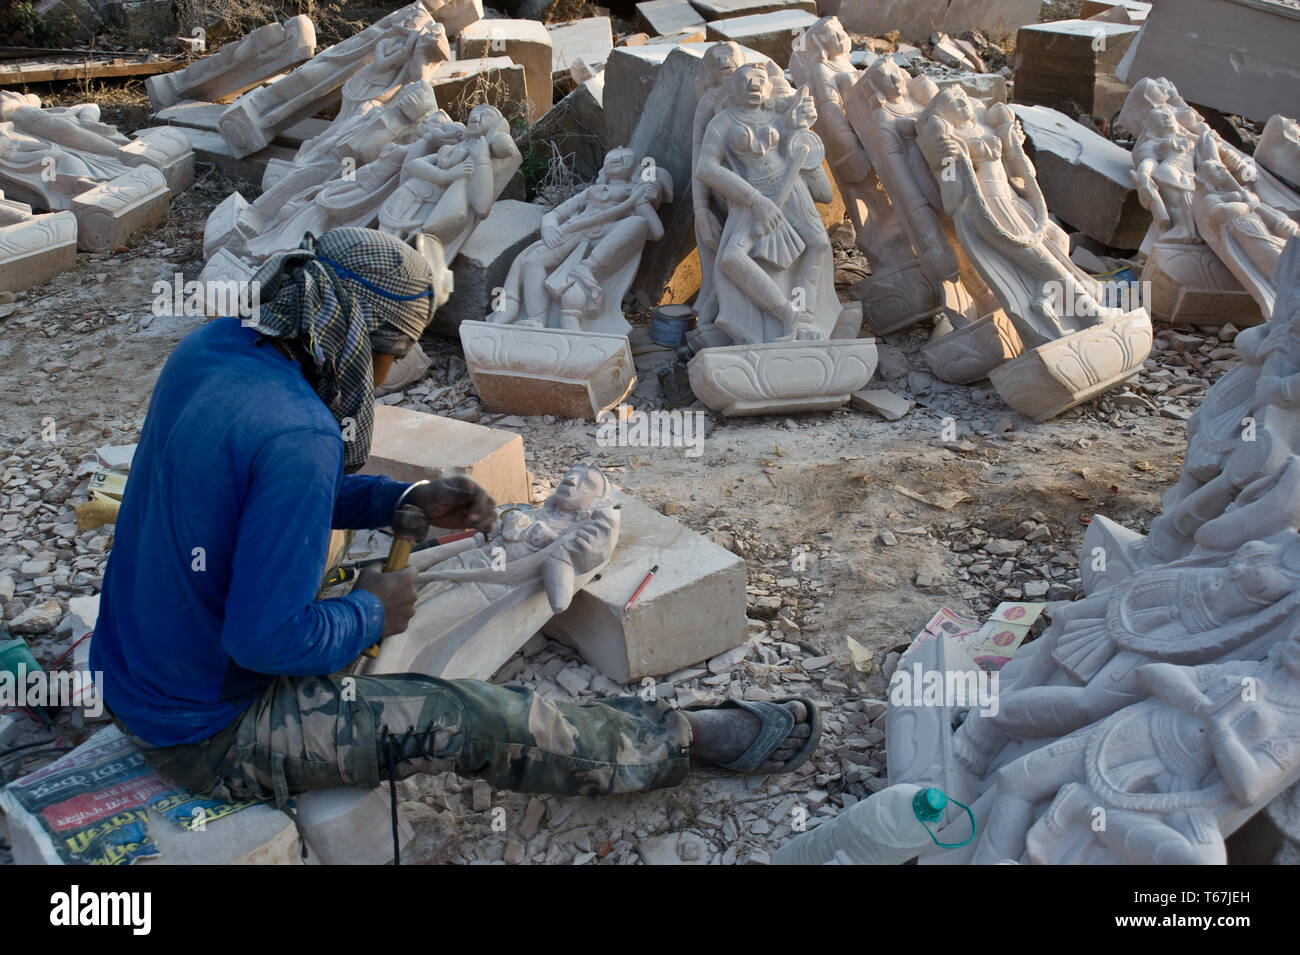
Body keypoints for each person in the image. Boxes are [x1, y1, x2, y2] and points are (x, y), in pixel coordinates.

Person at [91, 227, 820, 857]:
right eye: (393, 356)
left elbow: (260, 494)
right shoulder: (300, 434)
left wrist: (402, 498)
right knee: (468, 716)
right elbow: (262, 640)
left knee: (351, 575)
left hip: (131, 676)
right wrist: (374, 612)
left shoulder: (212, 351)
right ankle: (676, 738)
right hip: (203, 730)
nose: (387, 378)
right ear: (355, 336)